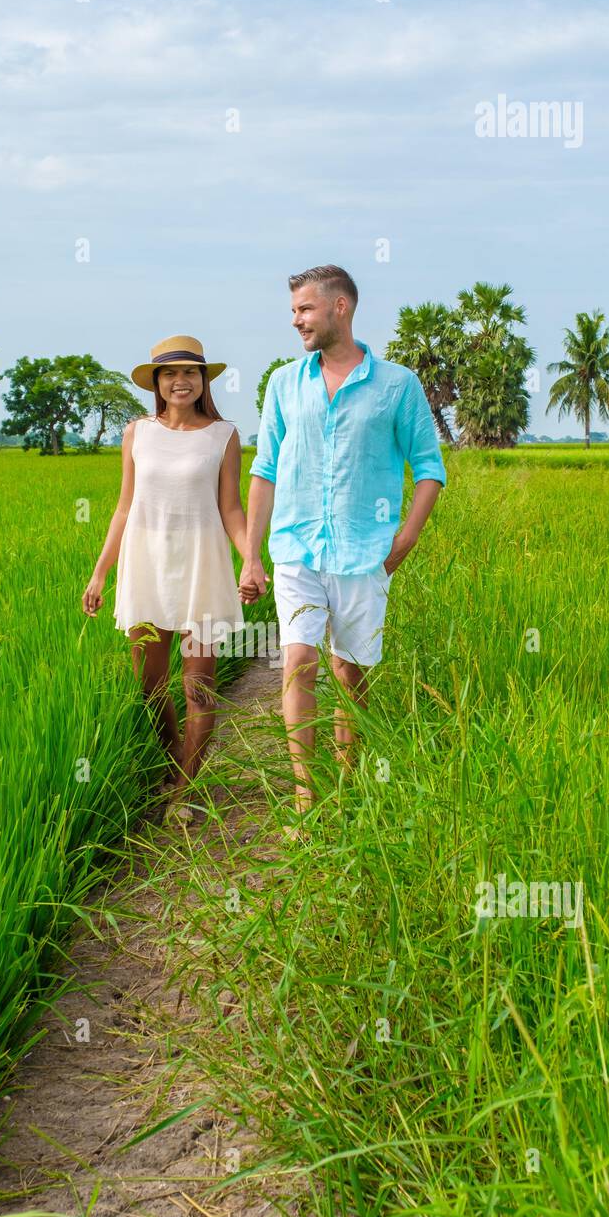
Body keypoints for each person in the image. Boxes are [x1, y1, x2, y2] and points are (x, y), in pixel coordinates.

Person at [238, 265, 446, 827]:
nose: (296, 321)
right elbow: (265, 470)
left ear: (340, 308)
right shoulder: (284, 383)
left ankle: (348, 783)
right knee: (298, 661)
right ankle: (306, 794)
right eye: (293, 312)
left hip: (363, 553)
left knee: (351, 675)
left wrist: (406, 536)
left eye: (305, 309)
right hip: (297, 550)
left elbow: (429, 468)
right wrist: (252, 555)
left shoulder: (397, 385)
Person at [82, 335, 248, 824]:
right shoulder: (137, 432)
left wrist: (251, 560)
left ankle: (187, 789)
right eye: (170, 374)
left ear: (203, 381)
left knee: (198, 686)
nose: (181, 381)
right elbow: (123, 506)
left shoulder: (223, 435)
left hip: (202, 565)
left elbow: (232, 508)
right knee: (149, 684)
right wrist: (100, 572)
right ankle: (176, 753)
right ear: (157, 382)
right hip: (146, 565)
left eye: (190, 373)